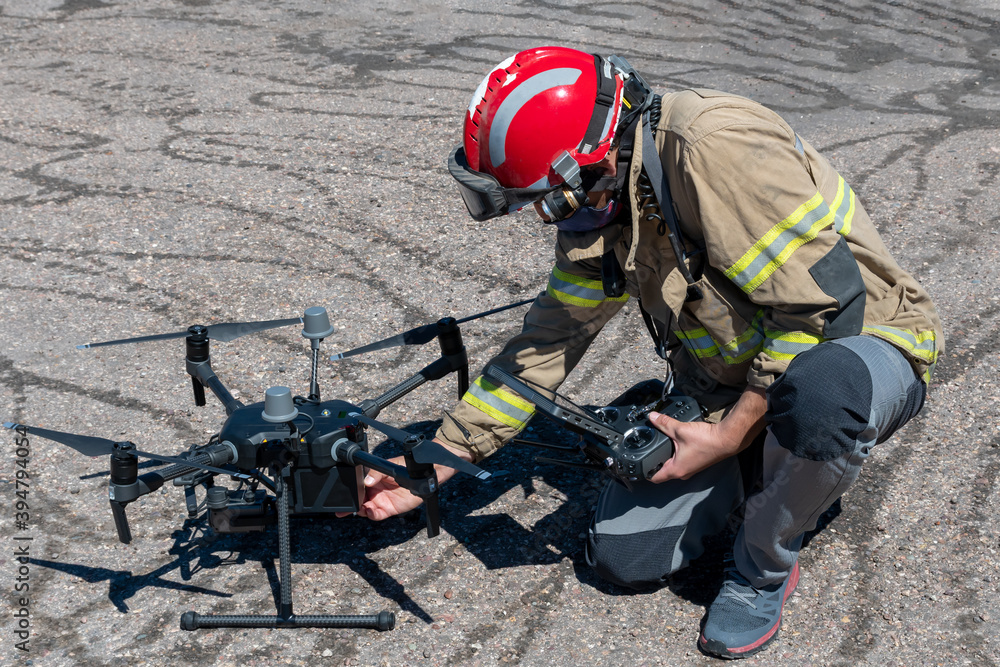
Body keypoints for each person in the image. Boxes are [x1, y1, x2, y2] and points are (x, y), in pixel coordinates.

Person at [354, 46, 943, 659]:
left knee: (822, 402)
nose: (538, 215)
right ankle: (771, 461)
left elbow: (819, 309)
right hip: (730, 375)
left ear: (594, 158)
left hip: (857, 343)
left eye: (542, 199)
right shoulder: (598, 199)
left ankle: (765, 561)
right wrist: (430, 463)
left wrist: (730, 434)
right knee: (624, 556)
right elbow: (548, 342)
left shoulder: (715, 147)